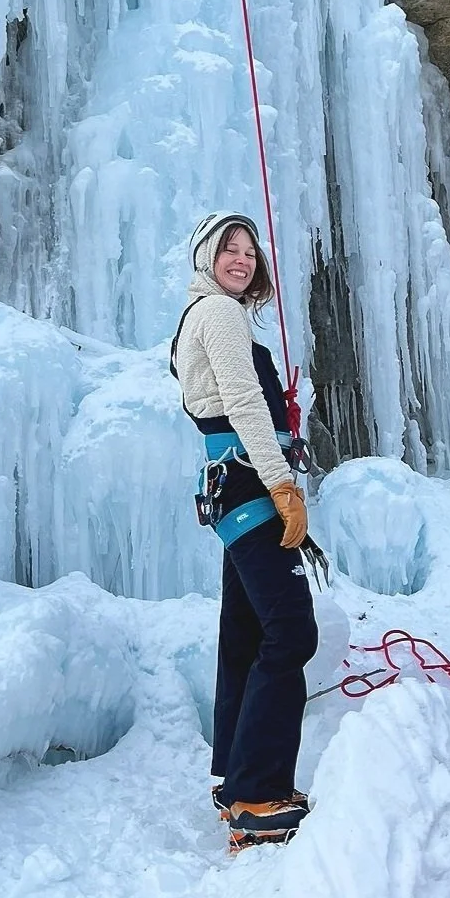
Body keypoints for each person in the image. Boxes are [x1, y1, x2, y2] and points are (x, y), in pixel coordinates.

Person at [170, 211, 318, 853]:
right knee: (290, 631)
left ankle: (235, 778)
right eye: (227, 250)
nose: (241, 259)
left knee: (247, 633)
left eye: (249, 252)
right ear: (206, 257)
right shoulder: (221, 315)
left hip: (233, 483)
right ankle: (258, 796)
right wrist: (283, 485)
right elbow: (241, 403)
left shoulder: (203, 317)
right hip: (252, 485)